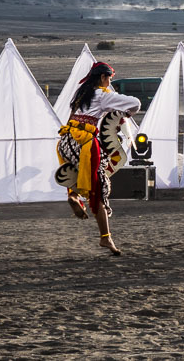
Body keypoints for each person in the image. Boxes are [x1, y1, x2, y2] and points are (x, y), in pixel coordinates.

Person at [56, 62, 141, 256]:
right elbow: (135, 103)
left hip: (66, 141)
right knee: (99, 186)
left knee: (78, 174)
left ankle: (73, 196)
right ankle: (105, 238)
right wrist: (124, 114)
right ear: (103, 78)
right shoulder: (102, 95)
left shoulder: (81, 94)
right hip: (85, 143)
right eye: (109, 78)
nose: (109, 82)